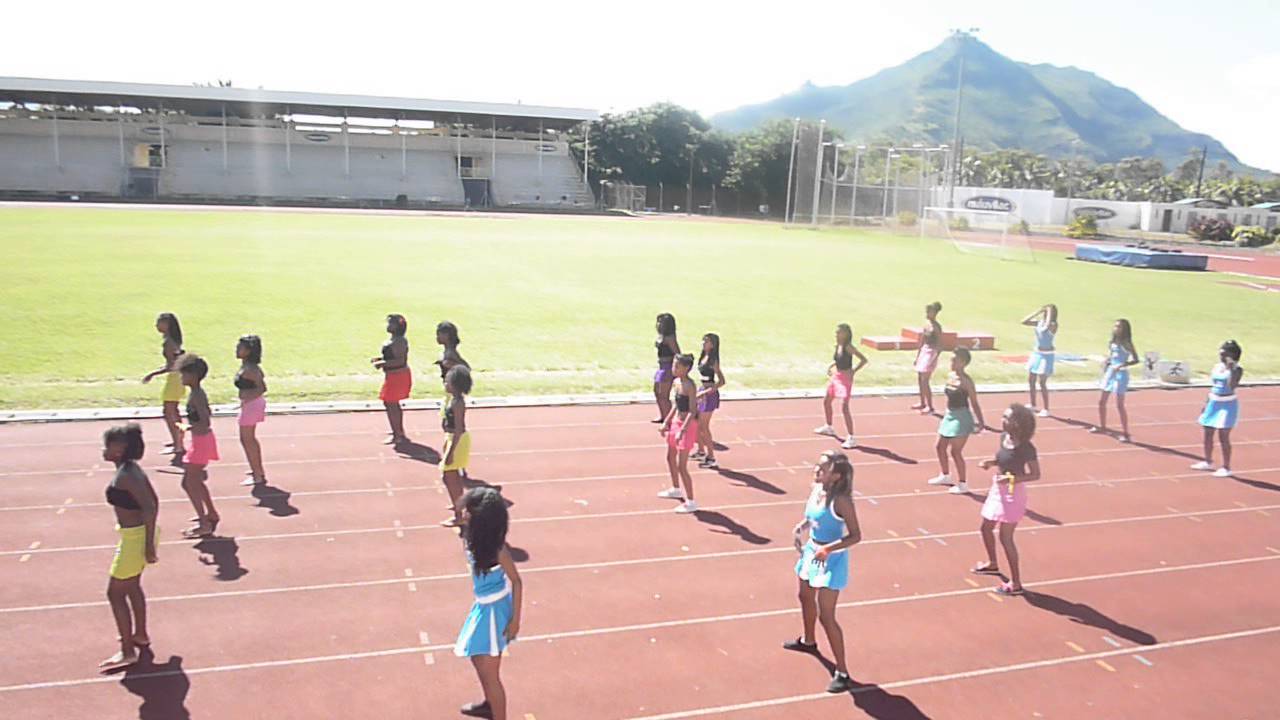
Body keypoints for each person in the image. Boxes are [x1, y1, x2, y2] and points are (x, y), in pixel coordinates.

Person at [784, 450, 862, 694]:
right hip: (813, 551)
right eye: (818, 465)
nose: (817, 470)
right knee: (804, 596)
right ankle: (809, 641)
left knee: (826, 615)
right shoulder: (817, 489)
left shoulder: (841, 501)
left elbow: (856, 536)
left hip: (832, 558)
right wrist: (802, 527)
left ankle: (843, 672)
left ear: (836, 476)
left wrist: (828, 549)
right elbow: (813, 518)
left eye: (823, 469)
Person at [454, 487, 523, 720]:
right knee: (477, 656)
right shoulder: (474, 539)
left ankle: (497, 713)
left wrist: (515, 621)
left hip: (494, 611)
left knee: (490, 673)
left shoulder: (497, 549)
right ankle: (489, 703)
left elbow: (517, 581)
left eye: (468, 511)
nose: (463, 514)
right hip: (483, 606)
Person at [98, 423, 159, 672]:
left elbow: (150, 507)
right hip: (133, 536)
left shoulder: (128, 475)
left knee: (114, 593)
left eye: (107, 445)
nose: (103, 449)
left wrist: (148, 545)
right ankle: (140, 635)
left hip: (136, 538)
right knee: (132, 586)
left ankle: (127, 651)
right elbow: (152, 502)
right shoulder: (129, 470)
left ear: (120, 448)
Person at [972, 404, 1041, 596]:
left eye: (1007, 417)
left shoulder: (1026, 448)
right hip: (998, 489)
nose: (1002, 420)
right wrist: (991, 462)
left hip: (1013, 493)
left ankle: (1016, 583)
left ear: (1018, 423)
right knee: (985, 528)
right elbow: (1004, 460)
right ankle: (992, 563)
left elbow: (1035, 474)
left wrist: (1012, 479)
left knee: (1005, 537)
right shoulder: (1004, 437)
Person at [927, 348, 986, 494]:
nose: (951, 363)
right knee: (939, 446)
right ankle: (945, 475)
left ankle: (963, 484)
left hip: (961, 417)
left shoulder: (967, 381)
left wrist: (981, 422)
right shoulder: (951, 376)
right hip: (949, 415)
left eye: (955, 360)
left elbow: (974, 402)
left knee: (955, 452)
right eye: (951, 360)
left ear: (963, 363)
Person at [177, 354, 220, 538]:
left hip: (201, 441)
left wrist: (188, 427)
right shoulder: (196, 394)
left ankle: (204, 523)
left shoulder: (197, 396)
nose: (181, 377)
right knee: (193, 481)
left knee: (189, 482)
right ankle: (210, 513)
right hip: (199, 440)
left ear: (193, 376)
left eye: (184, 374)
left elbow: (205, 420)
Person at [1192, 340, 1244, 478]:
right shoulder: (1217, 367)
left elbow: (1232, 386)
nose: (1221, 356)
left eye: (1224, 354)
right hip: (1214, 401)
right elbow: (1214, 385)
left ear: (1232, 355)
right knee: (1208, 432)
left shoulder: (1237, 369)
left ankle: (1226, 467)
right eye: (1220, 353)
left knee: (1223, 436)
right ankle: (1207, 461)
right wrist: (1206, 404)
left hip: (1227, 404)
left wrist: (1231, 369)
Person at [140, 312, 186, 463]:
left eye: (159, 323)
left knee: (169, 411)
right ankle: (178, 440)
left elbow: (172, 365)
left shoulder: (169, 343)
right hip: (177, 378)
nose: (156, 325)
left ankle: (178, 444)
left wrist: (153, 374)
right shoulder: (174, 341)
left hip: (174, 379)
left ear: (167, 325)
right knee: (173, 410)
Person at [814, 323, 868, 450]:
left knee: (844, 407)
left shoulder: (849, 347)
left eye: (839, 332)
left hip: (845, 379)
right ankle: (829, 427)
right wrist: (831, 365)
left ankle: (851, 437)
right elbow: (839, 360)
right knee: (827, 400)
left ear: (846, 334)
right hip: (836, 376)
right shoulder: (838, 345)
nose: (836, 334)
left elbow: (863, 360)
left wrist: (853, 371)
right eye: (836, 332)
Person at [658, 354, 700, 513]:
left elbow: (692, 411)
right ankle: (676, 488)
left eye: (677, 366)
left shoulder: (690, 385)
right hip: (676, 422)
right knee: (670, 457)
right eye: (673, 365)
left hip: (687, 426)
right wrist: (666, 422)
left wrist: (682, 431)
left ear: (686, 368)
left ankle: (691, 501)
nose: (673, 368)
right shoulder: (676, 382)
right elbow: (676, 405)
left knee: (682, 466)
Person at [1092, 319, 1139, 442]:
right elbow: (1112, 355)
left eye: (1119, 327)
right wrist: (1106, 361)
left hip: (1121, 374)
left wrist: (1122, 364)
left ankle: (1126, 433)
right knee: (1101, 401)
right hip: (1110, 373)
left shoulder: (1127, 343)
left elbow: (1136, 359)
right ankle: (1102, 426)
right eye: (1115, 326)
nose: (1116, 329)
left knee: (1119, 405)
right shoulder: (1112, 342)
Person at [440, 365, 474, 527]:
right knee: (451, 476)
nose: (445, 384)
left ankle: (459, 515)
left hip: (458, 440)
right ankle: (459, 503)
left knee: (449, 476)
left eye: (447, 382)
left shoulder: (458, 403)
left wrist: (451, 452)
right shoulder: (452, 399)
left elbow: (459, 429)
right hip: (451, 437)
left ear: (455, 385)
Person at [234, 335, 268, 487]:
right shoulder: (246, 366)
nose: (237, 349)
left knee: (247, 439)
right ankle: (257, 470)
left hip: (252, 405)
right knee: (248, 439)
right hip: (249, 404)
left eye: (240, 347)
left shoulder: (252, 369)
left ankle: (258, 474)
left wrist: (247, 398)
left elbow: (262, 388)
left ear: (248, 351)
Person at [372, 314, 412, 445]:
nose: (388, 326)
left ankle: (398, 434)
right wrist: (380, 359)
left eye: (391, 323)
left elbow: (400, 360)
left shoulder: (399, 341)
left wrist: (382, 363)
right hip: (393, 376)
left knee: (391, 404)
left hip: (398, 376)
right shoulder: (395, 340)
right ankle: (398, 430)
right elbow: (392, 356)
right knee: (391, 403)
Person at [693, 333, 725, 469]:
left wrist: (706, 392)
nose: (703, 343)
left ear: (713, 345)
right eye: (703, 340)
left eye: (706, 341)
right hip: (702, 391)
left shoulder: (713, 360)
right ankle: (701, 451)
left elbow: (722, 381)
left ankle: (711, 457)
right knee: (696, 423)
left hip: (709, 395)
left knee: (703, 426)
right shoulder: (703, 357)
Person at [1022, 304, 1058, 417]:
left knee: (1042, 382)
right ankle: (1033, 404)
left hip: (1046, 356)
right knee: (1031, 379)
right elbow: (1024, 321)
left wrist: (1049, 312)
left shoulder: (1053, 325)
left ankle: (1046, 408)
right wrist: (1038, 312)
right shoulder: (1039, 322)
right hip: (1037, 354)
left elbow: (1045, 328)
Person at [910, 302, 944, 414]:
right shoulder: (926, 325)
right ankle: (922, 402)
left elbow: (940, 344)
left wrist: (934, 358)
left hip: (931, 352)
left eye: (929, 311)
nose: (927, 313)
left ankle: (930, 406)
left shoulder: (937, 327)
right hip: (924, 351)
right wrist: (918, 356)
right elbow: (922, 340)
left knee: (925, 380)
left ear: (935, 313)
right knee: (920, 378)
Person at [652, 313, 680, 423]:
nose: (658, 324)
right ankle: (663, 415)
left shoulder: (670, 338)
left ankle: (668, 419)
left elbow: (677, 353)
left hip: (667, 368)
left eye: (661, 322)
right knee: (657, 392)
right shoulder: (661, 336)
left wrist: (675, 369)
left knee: (664, 395)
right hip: (661, 367)